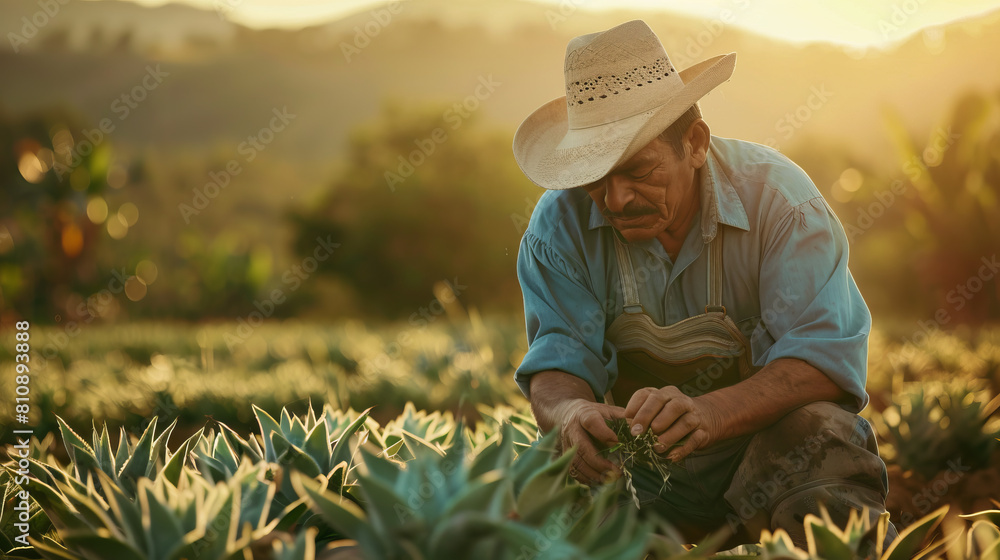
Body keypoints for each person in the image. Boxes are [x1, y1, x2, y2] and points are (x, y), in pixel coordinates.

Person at [510, 19, 897, 548]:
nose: (617, 198)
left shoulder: (781, 203)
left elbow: (824, 360)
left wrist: (710, 414)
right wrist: (572, 410)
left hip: (765, 464)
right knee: (553, 456)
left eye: (639, 171)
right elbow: (557, 363)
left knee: (821, 429)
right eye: (597, 178)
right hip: (637, 479)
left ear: (694, 143)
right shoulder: (560, 226)